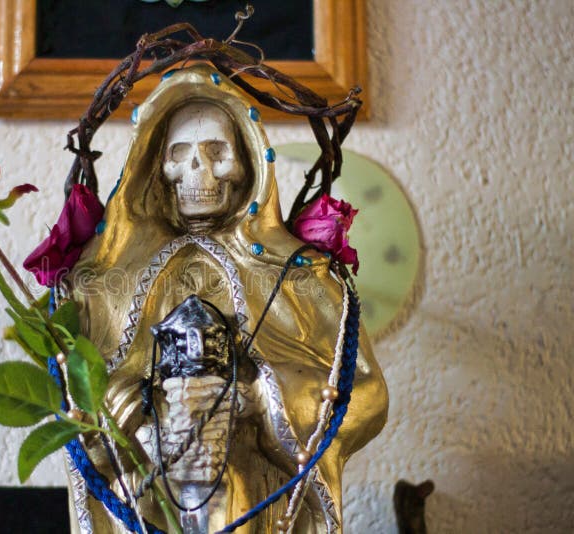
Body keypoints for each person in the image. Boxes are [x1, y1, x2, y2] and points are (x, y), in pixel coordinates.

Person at [61, 65, 388, 533]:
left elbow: (367, 394)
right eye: (181, 154)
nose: (199, 170)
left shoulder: (300, 276)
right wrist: (135, 414)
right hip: (145, 501)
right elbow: (73, 399)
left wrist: (263, 400)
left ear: (249, 162)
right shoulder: (105, 278)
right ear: (158, 164)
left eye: (218, 153)